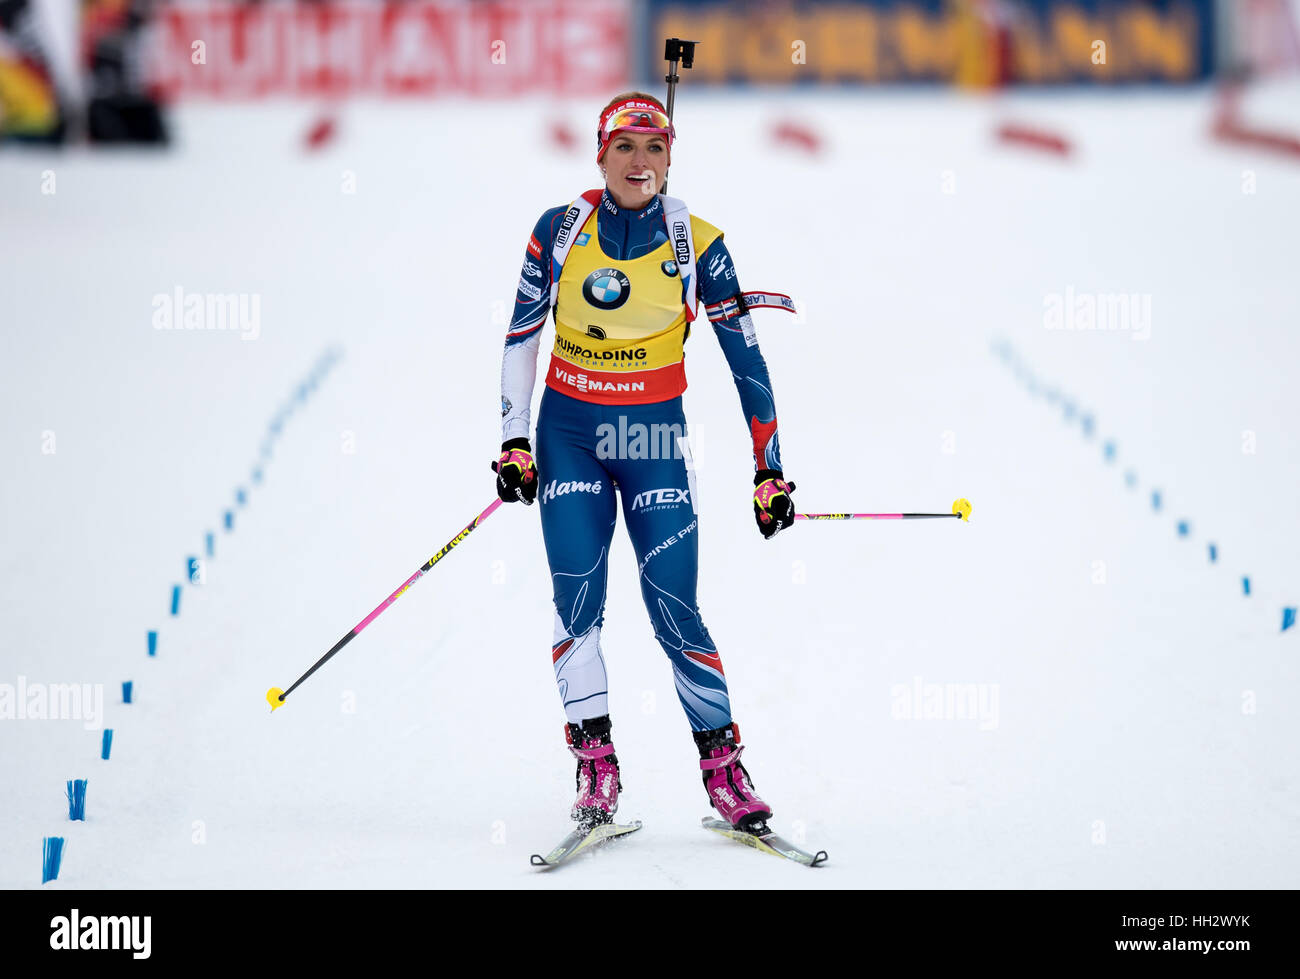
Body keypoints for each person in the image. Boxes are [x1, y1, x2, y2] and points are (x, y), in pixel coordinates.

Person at [494, 92, 796, 836]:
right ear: (599, 155)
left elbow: (746, 364)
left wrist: (769, 468)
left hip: (654, 442)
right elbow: (521, 338)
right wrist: (514, 441)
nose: (639, 161)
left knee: (674, 605)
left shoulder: (701, 244)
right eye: (624, 147)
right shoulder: (560, 231)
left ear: (670, 159)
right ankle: (597, 767)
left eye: (653, 148)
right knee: (578, 604)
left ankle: (723, 770)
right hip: (570, 438)